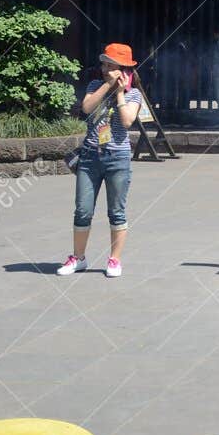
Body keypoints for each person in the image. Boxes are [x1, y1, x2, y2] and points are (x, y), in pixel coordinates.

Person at [59, 43, 142, 278]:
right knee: (83, 210)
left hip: (118, 157)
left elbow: (126, 122)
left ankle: (114, 260)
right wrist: (107, 85)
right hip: (90, 157)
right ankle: (78, 258)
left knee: (116, 212)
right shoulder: (96, 85)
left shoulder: (133, 93)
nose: (105, 68)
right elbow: (86, 108)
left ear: (123, 68)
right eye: (104, 63)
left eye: (110, 64)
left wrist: (119, 93)